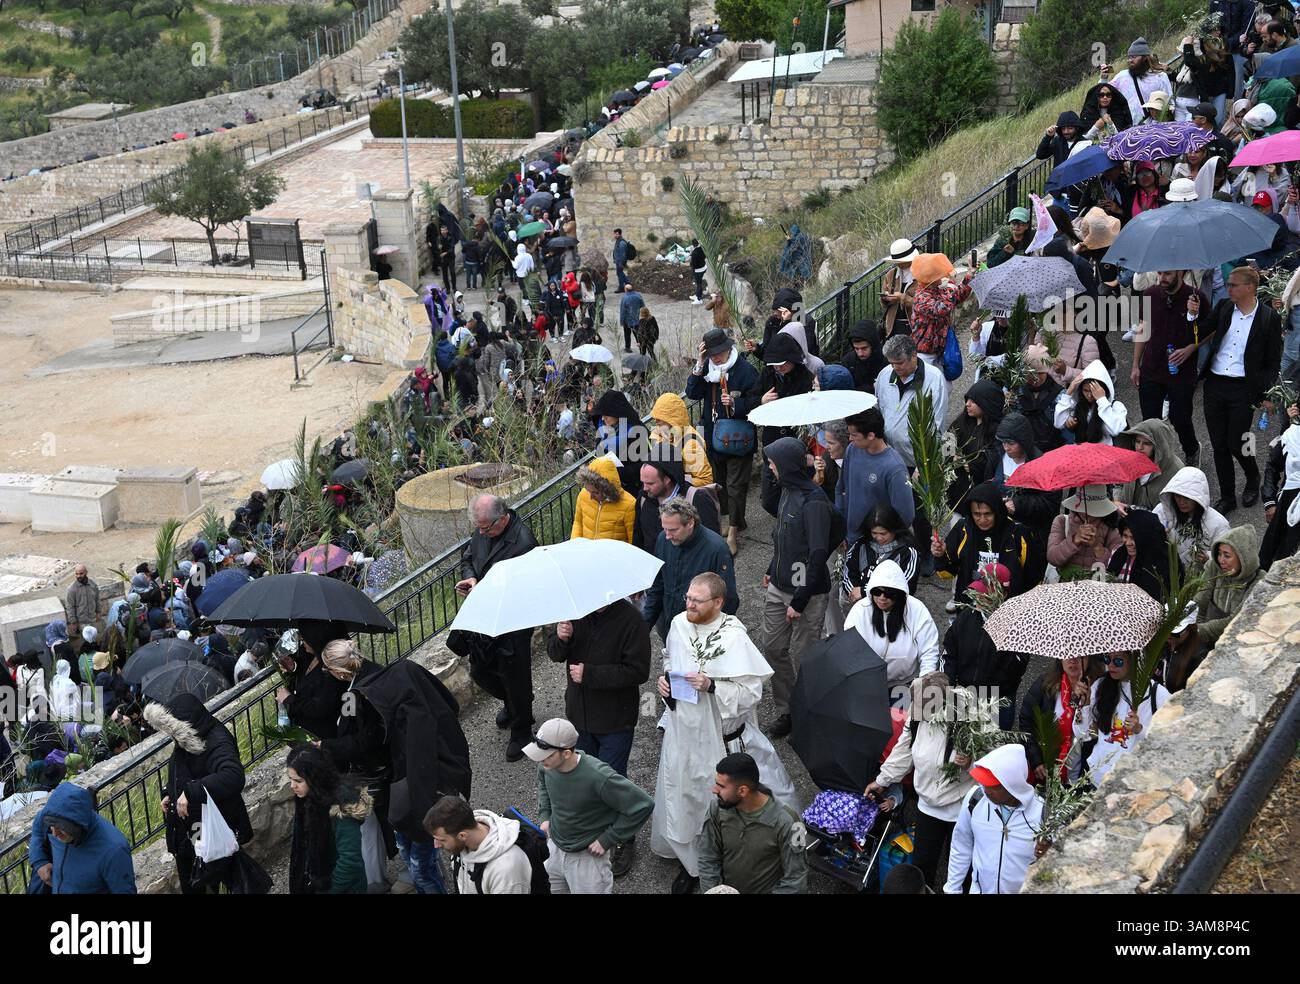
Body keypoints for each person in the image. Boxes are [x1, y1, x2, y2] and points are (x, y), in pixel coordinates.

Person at [650, 573, 798, 895]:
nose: (688, 604)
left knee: (718, 803)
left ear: (718, 602)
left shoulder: (733, 638)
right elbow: (669, 659)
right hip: (682, 733)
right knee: (685, 799)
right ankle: (691, 866)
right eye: (687, 598)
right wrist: (664, 683)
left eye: (696, 600)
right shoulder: (677, 624)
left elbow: (752, 692)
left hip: (719, 740)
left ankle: (730, 865)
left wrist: (713, 685)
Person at [319, 639, 471, 895]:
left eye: (328, 671)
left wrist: (328, 745)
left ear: (338, 672)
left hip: (400, 782)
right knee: (416, 856)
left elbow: (364, 738)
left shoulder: (364, 694)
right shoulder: (388, 678)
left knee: (420, 863)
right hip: (404, 783)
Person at [547, 600, 651, 872]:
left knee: (612, 781)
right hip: (580, 717)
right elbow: (555, 654)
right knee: (582, 778)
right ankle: (593, 831)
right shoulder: (573, 611)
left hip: (615, 720)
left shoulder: (631, 621)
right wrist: (560, 638)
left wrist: (589, 674)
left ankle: (623, 839)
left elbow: (639, 671)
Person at [867, 672, 975, 891]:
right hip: (928, 804)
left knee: (962, 866)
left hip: (959, 806)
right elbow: (903, 751)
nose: (918, 711)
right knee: (922, 864)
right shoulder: (917, 713)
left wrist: (971, 763)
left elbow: (991, 759)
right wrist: (882, 781)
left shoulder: (970, 715)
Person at [759, 437, 836, 738]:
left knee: (804, 658)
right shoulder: (788, 491)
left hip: (806, 594)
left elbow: (817, 555)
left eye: (773, 464)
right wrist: (770, 570)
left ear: (788, 466)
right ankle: (788, 708)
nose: (769, 468)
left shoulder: (814, 503)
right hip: (779, 587)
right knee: (773, 649)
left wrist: (800, 599)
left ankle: (809, 713)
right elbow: (782, 538)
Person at [530, 717, 654, 894]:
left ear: (566, 753)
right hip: (555, 849)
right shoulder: (547, 765)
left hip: (587, 859)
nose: (540, 760)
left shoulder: (600, 777)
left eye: (546, 755)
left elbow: (643, 805)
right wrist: (545, 815)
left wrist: (608, 839)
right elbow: (542, 781)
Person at [457, 493, 539, 761]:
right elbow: (468, 557)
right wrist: (470, 578)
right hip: (487, 614)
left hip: (514, 620)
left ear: (502, 518)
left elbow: (524, 588)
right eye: (479, 528)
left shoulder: (523, 543)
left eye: (485, 528)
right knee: (480, 670)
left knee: (515, 673)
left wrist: (487, 588)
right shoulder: (483, 530)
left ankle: (522, 729)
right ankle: (514, 704)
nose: (481, 532)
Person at [145, 693, 253, 894]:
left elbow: (233, 776)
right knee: (196, 882)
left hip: (210, 831)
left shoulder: (218, 740)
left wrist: (191, 792)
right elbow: (184, 769)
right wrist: (170, 792)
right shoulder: (191, 738)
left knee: (219, 880)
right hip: (194, 831)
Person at [1200, 266, 1283, 514]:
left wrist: (1268, 395)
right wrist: (1193, 317)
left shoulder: (1268, 318)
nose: (1228, 289)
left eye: (1233, 285)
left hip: (1243, 389)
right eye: (1228, 284)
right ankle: (1227, 496)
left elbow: (1272, 362)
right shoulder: (1225, 307)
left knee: (1238, 442)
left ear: (1249, 287)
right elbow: (1200, 332)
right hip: (1215, 383)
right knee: (1219, 445)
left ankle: (1252, 475)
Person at [686, 328, 762, 554]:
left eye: (719, 352)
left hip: (738, 438)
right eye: (711, 354)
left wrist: (736, 405)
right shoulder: (707, 369)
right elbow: (692, 392)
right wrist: (699, 364)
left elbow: (758, 401)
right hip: (712, 435)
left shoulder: (745, 371)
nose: (716, 357)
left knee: (736, 486)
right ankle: (732, 520)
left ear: (729, 348)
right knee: (718, 483)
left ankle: (733, 531)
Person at [698, 752, 807, 894]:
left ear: (742, 791)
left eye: (721, 786)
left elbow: (796, 879)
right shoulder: (718, 807)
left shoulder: (788, 822)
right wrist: (713, 891)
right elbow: (708, 857)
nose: (714, 790)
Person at [943, 743, 1045, 895]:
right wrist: (952, 889)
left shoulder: (1043, 812)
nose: (986, 790)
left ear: (1013, 786)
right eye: (984, 783)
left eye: (993, 786)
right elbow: (961, 845)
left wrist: (1047, 854)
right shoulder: (974, 799)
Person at [942, 566, 1028, 729]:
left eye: (985, 594)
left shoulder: (1016, 626)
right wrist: (950, 685)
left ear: (1003, 594)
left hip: (997, 700)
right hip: (964, 694)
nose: (978, 597)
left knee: (994, 751)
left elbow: (1016, 669)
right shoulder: (966, 617)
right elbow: (949, 653)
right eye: (977, 592)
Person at [1131, 271, 1204, 462]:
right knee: (1150, 421)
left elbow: (1209, 331)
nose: (1162, 277)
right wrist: (1135, 365)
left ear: (1180, 272)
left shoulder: (1196, 297)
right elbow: (1142, 329)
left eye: (1168, 273)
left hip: (1182, 372)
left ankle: (1192, 449)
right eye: (1160, 272)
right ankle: (1155, 461)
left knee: (1180, 418)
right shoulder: (1150, 294)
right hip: (1151, 368)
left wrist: (1190, 348)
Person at [641, 499, 738, 641]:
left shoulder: (716, 549)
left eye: (673, 530)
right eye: (665, 529)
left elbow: (728, 599)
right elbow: (658, 585)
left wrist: (711, 638)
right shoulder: (664, 539)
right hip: (672, 626)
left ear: (690, 523)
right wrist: (644, 625)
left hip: (701, 632)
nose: (667, 535)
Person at [844, 560, 941, 693]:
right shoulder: (860, 610)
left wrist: (922, 685)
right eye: (877, 592)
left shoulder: (916, 609)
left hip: (906, 684)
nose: (882, 598)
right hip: (866, 684)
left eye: (889, 593)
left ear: (899, 594)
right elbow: (849, 649)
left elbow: (929, 651)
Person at [286, 744, 370, 894]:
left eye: (298, 781)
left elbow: (350, 860)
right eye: (291, 780)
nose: (292, 786)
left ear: (314, 779)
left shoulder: (341, 809)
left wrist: (331, 890)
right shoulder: (308, 799)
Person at [933, 482, 1030, 609]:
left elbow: (1030, 576)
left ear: (998, 511)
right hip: (969, 606)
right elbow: (946, 573)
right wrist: (940, 556)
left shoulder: (1017, 533)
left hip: (1007, 609)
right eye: (977, 514)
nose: (982, 520)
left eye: (988, 514)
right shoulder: (963, 529)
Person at [27, 784, 135, 894]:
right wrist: (39, 861)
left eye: (61, 829)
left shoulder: (113, 851)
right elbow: (38, 825)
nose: (54, 833)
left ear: (78, 827)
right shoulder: (55, 815)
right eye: (51, 826)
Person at [1085, 652, 1169, 783]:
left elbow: (1167, 739)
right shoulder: (1100, 686)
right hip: (1098, 777)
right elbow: (1082, 733)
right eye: (1107, 659)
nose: (1111, 665)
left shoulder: (1158, 694)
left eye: (1118, 661)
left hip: (1133, 781)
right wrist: (1084, 704)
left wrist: (1140, 729)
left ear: (1135, 661)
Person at [426, 796, 534, 895]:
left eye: (441, 840)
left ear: (462, 836)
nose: (436, 845)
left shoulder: (507, 870)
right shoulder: (462, 842)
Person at [1018, 656, 1095, 784]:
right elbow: (1026, 722)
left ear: (1089, 659)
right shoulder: (1045, 684)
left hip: (1078, 772)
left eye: (1080, 656)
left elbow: (1094, 735)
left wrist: (1084, 703)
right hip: (1045, 767)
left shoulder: (1098, 689)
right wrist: (1036, 760)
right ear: (1060, 659)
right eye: (1068, 655)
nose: (1073, 660)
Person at [276, 621, 351, 740]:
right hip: (306, 731)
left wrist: (290, 700)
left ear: (315, 639)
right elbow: (304, 674)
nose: (301, 640)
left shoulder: (333, 668)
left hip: (323, 736)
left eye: (304, 637)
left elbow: (322, 707)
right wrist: (293, 667)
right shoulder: (307, 654)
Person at [842, 503, 920, 617]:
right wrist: (854, 592)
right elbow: (848, 572)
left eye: (883, 533)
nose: (878, 538)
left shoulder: (907, 552)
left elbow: (906, 585)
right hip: (862, 608)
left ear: (895, 530)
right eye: (874, 533)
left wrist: (865, 593)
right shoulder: (861, 545)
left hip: (893, 610)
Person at [1194, 526, 1262, 647]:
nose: (1221, 560)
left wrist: (1198, 631)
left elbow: (1234, 620)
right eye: (1219, 554)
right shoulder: (1215, 567)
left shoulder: (1259, 581)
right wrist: (1195, 628)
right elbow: (1201, 599)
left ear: (1243, 558)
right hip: (1204, 634)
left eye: (1227, 555)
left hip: (1234, 641)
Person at [634, 459, 721, 551]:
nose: (645, 488)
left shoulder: (697, 499)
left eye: (650, 483)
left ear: (667, 479)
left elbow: (712, 545)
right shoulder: (643, 499)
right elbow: (638, 538)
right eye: (643, 482)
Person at [1154, 466, 1231, 569]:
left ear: (1198, 498)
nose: (1181, 502)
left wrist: (1208, 557)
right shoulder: (1162, 511)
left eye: (1187, 498)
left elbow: (1229, 556)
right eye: (1177, 496)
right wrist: (1157, 535)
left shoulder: (1219, 524)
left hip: (1199, 580)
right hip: (1166, 572)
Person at [947, 377, 1004, 509]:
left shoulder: (998, 432)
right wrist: (952, 455)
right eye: (967, 400)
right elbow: (947, 440)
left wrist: (971, 466)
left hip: (980, 496)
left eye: (973, 401)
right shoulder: (962, 421)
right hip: (957, 493)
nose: (967, 404)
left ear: (986, 404)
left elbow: (994, 460)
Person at [1047, 486, 1123, 581]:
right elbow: (1053, 558)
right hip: (1064, 585)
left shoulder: (1112, 528)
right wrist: (1074, 540)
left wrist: (1097, 546)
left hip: (1097, 588)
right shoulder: (1062, 521)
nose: (1087, 513)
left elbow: (1116, 566)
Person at [1108, 508, 1181, 602]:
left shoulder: (1162, 563)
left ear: (1146, 538)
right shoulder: (1120, 555)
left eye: (1133, 538)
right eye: (1125, 536)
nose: (1128, 543)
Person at [1114, 419, 1187, 511]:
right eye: (1137, 441)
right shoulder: (1130, 459)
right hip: (1126, 517)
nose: (1140, 447)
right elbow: (1118, 484)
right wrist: (1117, 502)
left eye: (1147, 443)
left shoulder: (1177, 470)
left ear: (1159, 445)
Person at [591, 389, 653, 496]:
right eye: (601, 414)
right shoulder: (603, 429)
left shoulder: (637, 431)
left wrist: (620, 472)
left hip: (633, 490)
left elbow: (647, 464)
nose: (603, 418)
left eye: (607, 414)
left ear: (617, 413)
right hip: (609, 489)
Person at [1261, 400, 1300, 569]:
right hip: (1288, 503)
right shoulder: (1292, 434)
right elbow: (1273, 465)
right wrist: (1270, 501)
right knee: (1274, 562)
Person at [1054, 359, 1128, 445]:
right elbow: (1058, 423)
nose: (1089, 395)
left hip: (1104, 452)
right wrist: (1069, 392)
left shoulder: (1116, 406)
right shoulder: (1076, 404)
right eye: (1085, 390)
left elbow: (1115, 430)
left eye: (1093, 391)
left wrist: (1102, 400)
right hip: (1080, 452)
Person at [649, 392, 714, 488]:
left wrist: (678, 481)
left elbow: (706, 480)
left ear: (672, 418)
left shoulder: (691, 444)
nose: (656, 421)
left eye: (660, 418)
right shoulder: (667, 431)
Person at [1105, 37, 1173, 127]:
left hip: (1155, 127)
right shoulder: (1122, 76)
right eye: (1129, 57)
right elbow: (1104, 91)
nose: (1130, 60)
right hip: (1130, 128)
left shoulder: (1160, 77)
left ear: (1144, 57)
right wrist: (1103, 78)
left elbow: (1170, 102)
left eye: (1134, 57)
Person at [570, 456, 636, 542]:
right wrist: (575, 545)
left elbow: (633, 541)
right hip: (586, 552)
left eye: (595, 493)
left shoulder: (629, 505)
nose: (590, 497)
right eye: (588, 491)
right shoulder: (583, 495)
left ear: (608, 489)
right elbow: (578, 523)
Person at [1018, 347, 1065, 452]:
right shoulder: (1016, 391)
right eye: (1032, 373)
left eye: (1040, 373)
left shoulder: (1059, 395)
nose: (1036, 378)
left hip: (1051, 451)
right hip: (1022, 450)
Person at [881, 239, 918, 338]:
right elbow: (883, 304)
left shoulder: (921, 274)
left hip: (916, 326)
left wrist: (902, 298)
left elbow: (924, 304)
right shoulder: (891, 274)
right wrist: (886, 299)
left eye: (902, 261)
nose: (899, 264)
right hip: (893, 325)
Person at [841, 319, 885, 393]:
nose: (860, 353)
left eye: (864, 348)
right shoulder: (848, 361)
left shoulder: (885, 360)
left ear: (872, 345)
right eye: (856, 348)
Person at [65, 564, 98, 640]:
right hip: (81, 622)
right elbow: (70, 607)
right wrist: (73, 622)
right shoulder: (71, 589)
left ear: (86, 572)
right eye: (76, 574)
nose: (78, 576)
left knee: (94, 640)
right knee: (85, 642)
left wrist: (98, 612)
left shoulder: (93, 585)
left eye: (81, 573)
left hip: (93, 619)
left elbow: (97, 599)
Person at [618, 288, 644, 354]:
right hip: (636, 319)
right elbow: (642, 305)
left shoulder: (625, 298)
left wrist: (621, 321)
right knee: (637, 334)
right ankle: (641, 346)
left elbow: (622, 311)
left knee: (627, 334)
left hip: (627, 320)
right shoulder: (638, 295)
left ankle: (628, 347)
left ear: (626, 290)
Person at [612, 228, 631, 292]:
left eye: (617, 234)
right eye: (615, 234)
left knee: (620, 273)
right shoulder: (618, 241)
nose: (615, 235)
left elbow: (623, 254)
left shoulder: (622, 243)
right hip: (618, 261)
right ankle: (625, 285)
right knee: (620, 273)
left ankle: (623, 286)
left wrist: (621, 263)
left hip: (620, 262)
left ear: (620, 234)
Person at [689, 238, 708, 302]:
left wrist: (691, 265)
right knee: (698, 284)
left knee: (698, 284)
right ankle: (697, 295)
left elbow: (693, 264)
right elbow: (705, 256)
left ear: (693, 244)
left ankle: (699, 299)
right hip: (703, 267)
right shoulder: (702, 249)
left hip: (698, 270)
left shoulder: (694, 253)